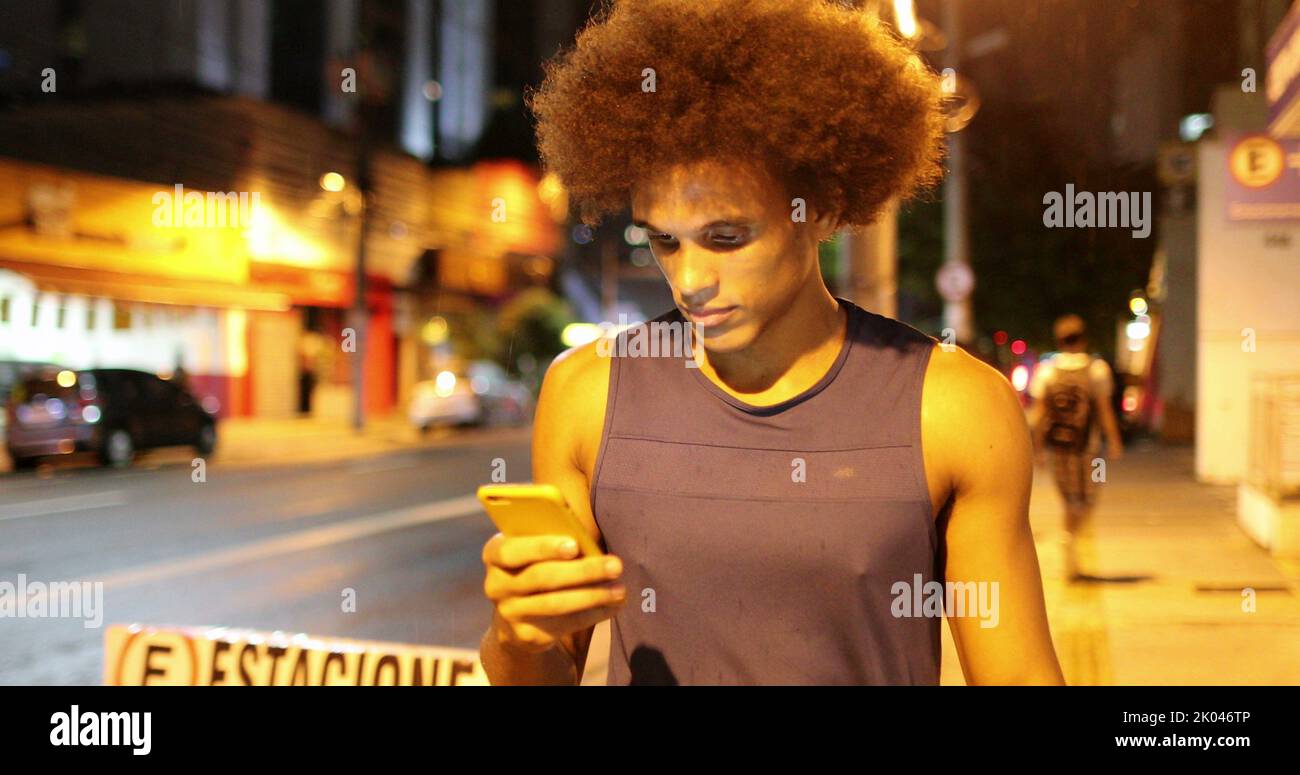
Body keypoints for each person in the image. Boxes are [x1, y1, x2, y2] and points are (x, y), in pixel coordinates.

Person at [479, 0, 1063, 685]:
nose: (690, 280)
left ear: (820, 209)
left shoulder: (956, 407)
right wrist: (517, 636)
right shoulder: (586, 392)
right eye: (664, 240)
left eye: (727, 237)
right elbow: (546, 673)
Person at [1027, 314, 1124, 581]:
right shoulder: (1097, 369)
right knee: (1089, 498)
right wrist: (1114, 441)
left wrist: (1037, 448)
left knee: (1068, 499)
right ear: (1084, 338)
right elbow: (1104, 410)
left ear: (1058, 340)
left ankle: (1068, 542)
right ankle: (1070, 541)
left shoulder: (1047, 371)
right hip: (1091, 450)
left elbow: (1039, 414)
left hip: (1057, 449)